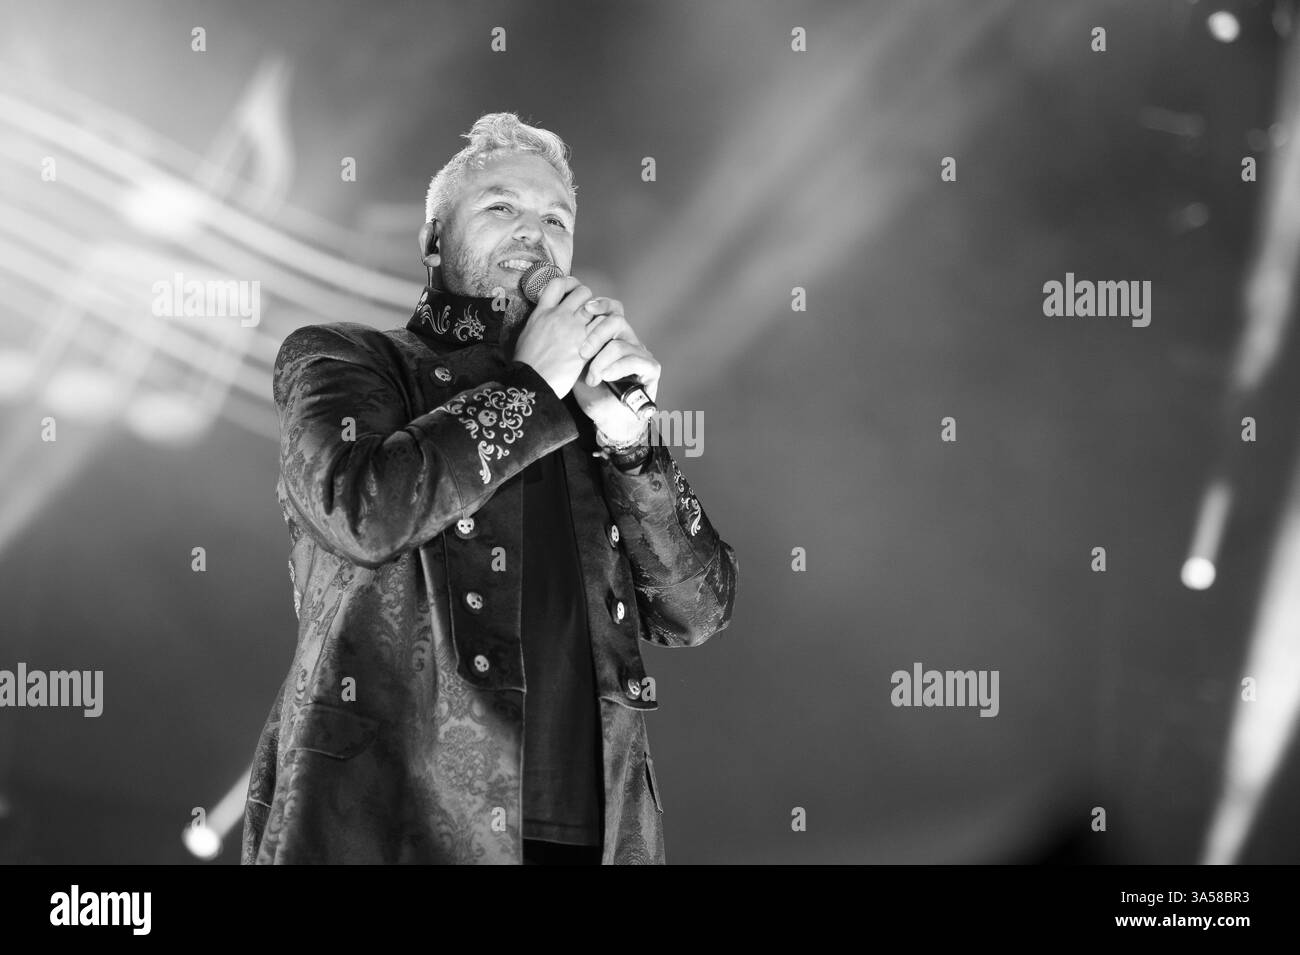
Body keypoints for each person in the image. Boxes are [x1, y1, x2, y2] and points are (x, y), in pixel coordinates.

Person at [241, 112, 738, 864]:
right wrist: (532, 384)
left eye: (554, 218)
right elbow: (364, 511)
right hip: (394, 823)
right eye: (501, 208)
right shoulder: (343, 359)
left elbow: (698, 610)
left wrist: (632, 444)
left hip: (593, 833)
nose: (533, 235)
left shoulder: (588, 415)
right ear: (434, 240)